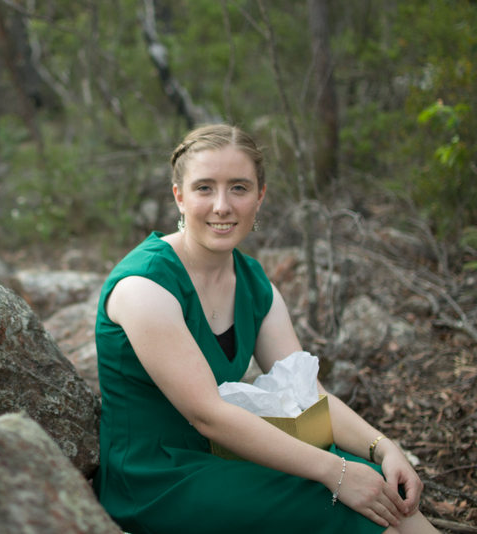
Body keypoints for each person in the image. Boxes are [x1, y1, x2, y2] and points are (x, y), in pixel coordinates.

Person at [92, 124, 438, 533]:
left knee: (387, 495)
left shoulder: (255, 286)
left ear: (260, 197)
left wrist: (382, 449)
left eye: (238, 188)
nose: (222, 206)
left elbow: (309, 394)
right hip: (155, 480)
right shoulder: (145, 286)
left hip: (226, 456)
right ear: (179, 196)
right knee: (341, 503)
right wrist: (336, 472)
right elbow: (208, 415)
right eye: (204, 188)